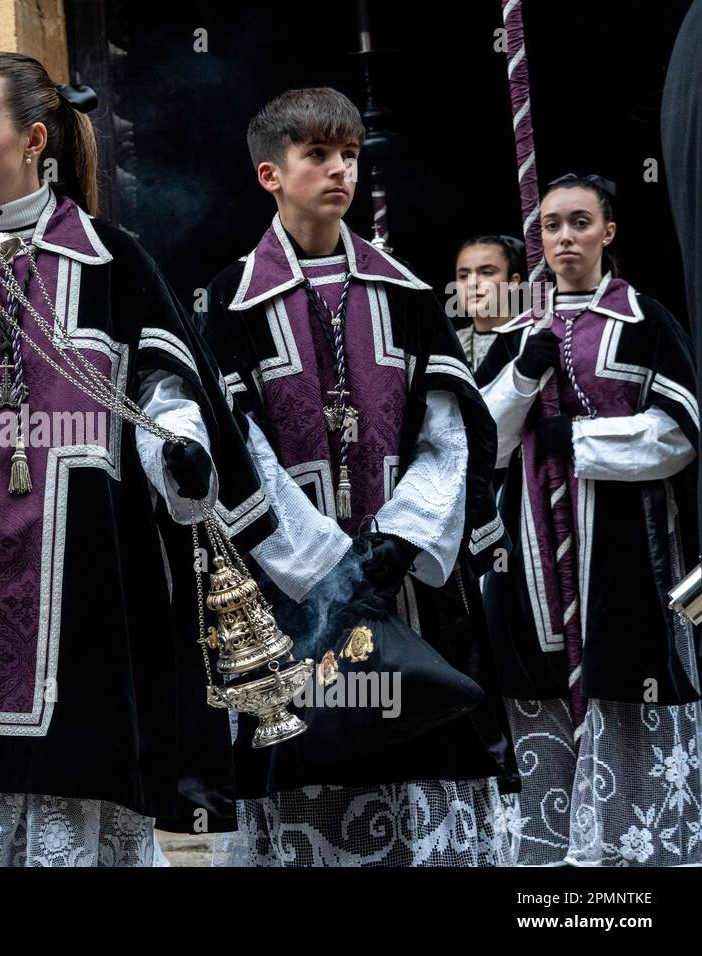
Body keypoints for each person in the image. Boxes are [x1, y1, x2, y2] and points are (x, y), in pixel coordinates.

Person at [0, 51, 276, 866]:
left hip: (84, 576)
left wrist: (183, 453)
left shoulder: (113, 260)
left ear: (34, 139)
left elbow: (165, 388)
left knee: (76, 791)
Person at [193, 87, 517, 866]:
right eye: (317, 156)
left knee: (418, 748)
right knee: (306, 755)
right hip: (289, 591)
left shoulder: (405, 294)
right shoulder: (229, 305)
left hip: (407, 586)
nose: (340, 170)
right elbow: (237, 449)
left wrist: (393, 546)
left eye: (349, 155)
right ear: (270, 173)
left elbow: (448, 436)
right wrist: (325, 564)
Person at [476, 173, 700, 866]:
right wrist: (519, 379)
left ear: (608, 231)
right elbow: (478, 439)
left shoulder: (646, 321)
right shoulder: (519, 330)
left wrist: (583, 442)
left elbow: (679, 432)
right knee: (539, 696)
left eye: (580, 222)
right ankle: (554, 863)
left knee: (623, 685)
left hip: (624, 547)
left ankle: (631, 858)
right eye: (551, 225)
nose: (564, 237)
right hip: (534, 559)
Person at [454, 234, 524, 372]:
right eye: (463, 276)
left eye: (487, 272)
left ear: (513, 282)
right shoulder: (449, 346)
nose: (472, 283)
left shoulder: (529, 341)